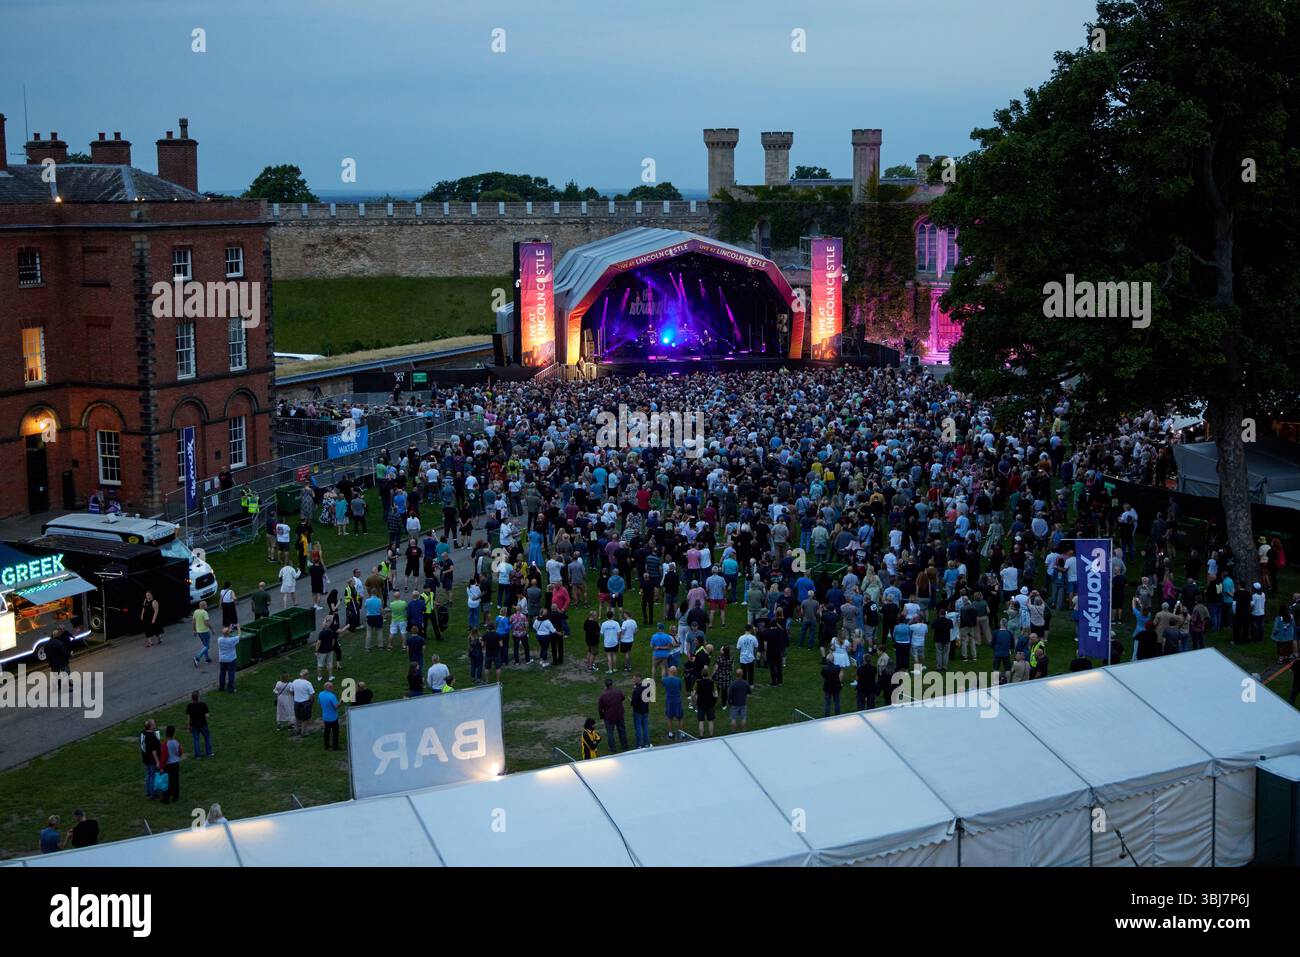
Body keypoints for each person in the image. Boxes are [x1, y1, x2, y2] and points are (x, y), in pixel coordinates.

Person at [597, 678, 628, 753]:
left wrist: (602, 715)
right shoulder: (618, 692)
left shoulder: (603, 695)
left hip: (609, 716)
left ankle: (612, 748)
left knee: (610, 733)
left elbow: (600, 707)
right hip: (619, 714)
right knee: (622, 730)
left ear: (605, 685)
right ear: (612, 684)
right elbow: (623, 698)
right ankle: (624, 745)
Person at [158, 725, 183, 804]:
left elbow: (164, 757)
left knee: (167, 781)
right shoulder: (176, 742)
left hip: (168, 765)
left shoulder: (165, 745)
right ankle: (175, 796)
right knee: (175, 780)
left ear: (166, 734)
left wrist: (161, 767)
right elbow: (180, 752)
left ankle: (166, 798)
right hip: (175, 764)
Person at [185, 690, 212, 758]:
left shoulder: (189, 706)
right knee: (207, 737)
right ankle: (209, 753)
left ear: (192, 698)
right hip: (203, 725)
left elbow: (188, 718)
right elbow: (207, 715)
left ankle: (198, 755)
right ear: (199, 697)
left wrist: (188, 727)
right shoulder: (203, 704)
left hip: (194, 726)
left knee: (196, 740)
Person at [693, 665, 717, 738]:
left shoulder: (697, 682)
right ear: (708, 674)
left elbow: (693, 694)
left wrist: (695, 700)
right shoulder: (712, 682)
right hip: (710, 704)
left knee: (701, 721)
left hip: (700, 703)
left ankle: (701, 736)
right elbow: (716, 694)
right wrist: (714, 701)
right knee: (710, 721)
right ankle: (711, 736)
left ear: (701, 674)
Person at [140, 718, 162, 798]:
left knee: (148, 775)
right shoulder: (152, 736)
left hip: (145, 757)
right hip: (152, 759)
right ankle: (153, 793)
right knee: (153, 775)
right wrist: (157, 761)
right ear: (150, 726)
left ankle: (148, 791)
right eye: (154, 724)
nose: (155, 724)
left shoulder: (142, 733)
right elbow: (153, 751)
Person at [291, 670, 315, 736]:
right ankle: (303, 733)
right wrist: (311, 702)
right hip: (305, 703)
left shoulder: (295, 681)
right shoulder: (308, 683)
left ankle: (296, 731)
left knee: (297, 717)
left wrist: (295, 696)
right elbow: (312, 694)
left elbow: (291, 691)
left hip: (296, 702)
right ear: (306, 675)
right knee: (305, 719)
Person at [630, 673, 652, 749]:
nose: (633, 680)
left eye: (634, 679)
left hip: (638, 712)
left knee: (638, 729)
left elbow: (634, 703)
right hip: (645, 710)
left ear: (637, 679)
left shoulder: (636, 690)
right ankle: (647, 744)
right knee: (645, 728)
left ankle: (639, 745)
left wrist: (631, 701)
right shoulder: (647, 686)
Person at [663, 664, 684, 740]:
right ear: (675, 672)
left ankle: (670, 732)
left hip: (669, 701)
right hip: (677, 700)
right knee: (680, 718)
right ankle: (681, 732)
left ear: (670, 671)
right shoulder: (678, 680)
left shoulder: (665, 680)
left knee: (669, 717)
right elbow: (680, 688)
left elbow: (664, 684)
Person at [217, 626, 241, 692]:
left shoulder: (219, 640)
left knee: (222, 673)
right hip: (231, 659)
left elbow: (225, 633)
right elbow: (239, 636)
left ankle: (221, 687)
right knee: (231, 674)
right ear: (229, 633)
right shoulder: (232, 640)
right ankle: (230, 688)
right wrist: (238, 628)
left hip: (222, 659)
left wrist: (228, 629)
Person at [319, 681, 342, 751]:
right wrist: (341, 701)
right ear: (329, 688)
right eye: (332, 686)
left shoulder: (320, 694)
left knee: (326, 732)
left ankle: (326, 746)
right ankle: (335, 747)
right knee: (335, 733)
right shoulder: (332, 696)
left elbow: (319, 703)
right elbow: (336, 706)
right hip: (333, 718)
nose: (333, 687)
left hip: (325, 717)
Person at [315, 617, 339, 682]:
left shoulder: (322, 633)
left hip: (322, 651)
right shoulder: (332, 631)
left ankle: (319, 677)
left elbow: (319, 643)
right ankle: (330, 676)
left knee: (320, 664)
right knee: (330, 663)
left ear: (324, 625)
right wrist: (331, 647)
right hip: (330, 650)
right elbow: (333, 640)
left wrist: (316, 651)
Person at [191, 600, 212, 668]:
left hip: (199, 632)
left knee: (205, 645)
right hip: (205, 631)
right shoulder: (204, 612)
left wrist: (194, 630)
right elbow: (206, 623)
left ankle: (207, 659)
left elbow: (193, 622)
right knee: (207, 646)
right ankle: (197, 657)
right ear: (203, 606)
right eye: (206, 604)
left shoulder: (196, 611)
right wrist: (212, 629)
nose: (207, 605)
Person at [821, 652, 842, 716]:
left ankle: (826, 716)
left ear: (827, 660)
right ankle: (838, 715)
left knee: (827, 703)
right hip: (836, 687)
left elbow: (823, 675)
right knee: (837, 702)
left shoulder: (824, 668)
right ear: (833, 660)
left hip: (827, 687)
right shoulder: (837, 667)